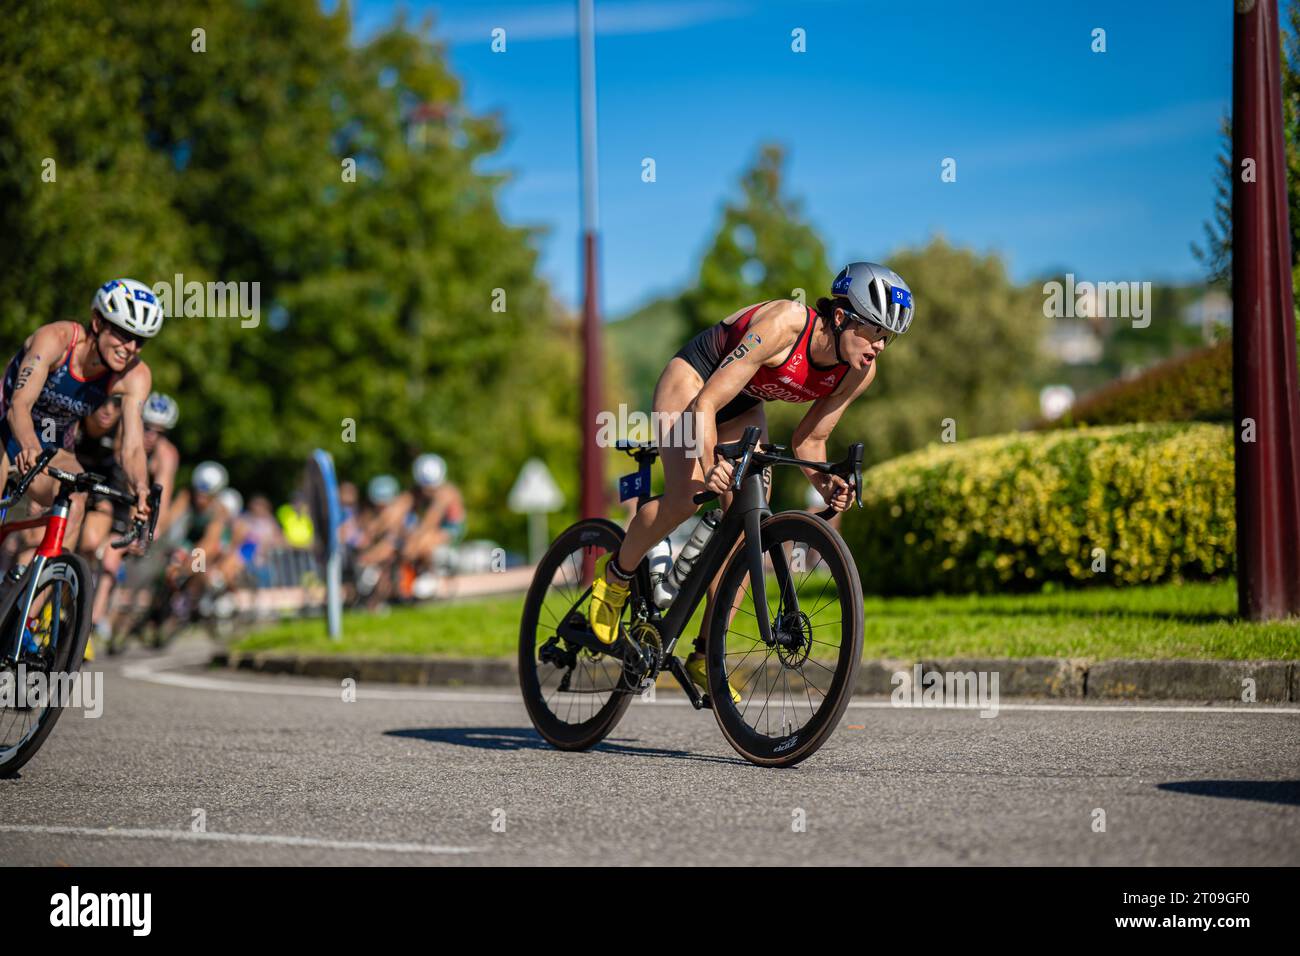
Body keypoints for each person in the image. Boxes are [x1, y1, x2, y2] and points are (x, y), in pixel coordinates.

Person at [587, 262, 914, 701]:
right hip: (695, 383)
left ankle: (706, 654)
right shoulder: (784, 325)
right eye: (874, 331)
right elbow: (705, 403)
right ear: (840, 317)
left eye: (887, 337)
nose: (879, 346)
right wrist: (710, 464)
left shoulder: (858, 371)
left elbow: (810, 440)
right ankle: (616, 577)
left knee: (751, 521)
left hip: (742, 405)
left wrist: (826, 485)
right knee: (690, 495)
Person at [0, 278, 161, 555]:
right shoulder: (57, 340)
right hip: (7, 428)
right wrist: (29, 447)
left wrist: (141, 487)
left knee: (74, 502)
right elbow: (20, 406)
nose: (131, 347)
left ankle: (32, 587)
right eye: (123, 333)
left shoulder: (135, 375)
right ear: (97, 322)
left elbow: (133, 446)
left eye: (141, 340)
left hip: (53, 443)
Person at [78, 392, 181, 649]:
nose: (151, 436)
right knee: (88, 544)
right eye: (146, 427)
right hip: (102, 496)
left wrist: (148, 534)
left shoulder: (165, 455)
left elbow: (163, 503)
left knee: (111, 556)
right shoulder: (118, 432)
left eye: (161, 432)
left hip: (129, 510)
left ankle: (92, 623)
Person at [402, 453, 466, 594]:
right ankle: (412, 579)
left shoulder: (446, 493)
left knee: (423, 543)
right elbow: (400, 509)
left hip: (452, 530)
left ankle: (430, 576)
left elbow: (431, 520)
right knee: (410, 540)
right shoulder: (418, 492)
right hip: (434, 530)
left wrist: (414, 542)